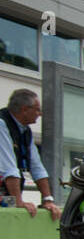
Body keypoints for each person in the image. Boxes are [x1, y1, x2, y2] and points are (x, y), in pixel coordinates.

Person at [1, 90, 61, 218]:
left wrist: (48, 200)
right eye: (38, 110)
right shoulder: (2, 124)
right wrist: (18, 201)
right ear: (24, 109)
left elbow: (37, 167)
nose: (40, 114)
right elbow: (9, 167)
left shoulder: (25, 131)